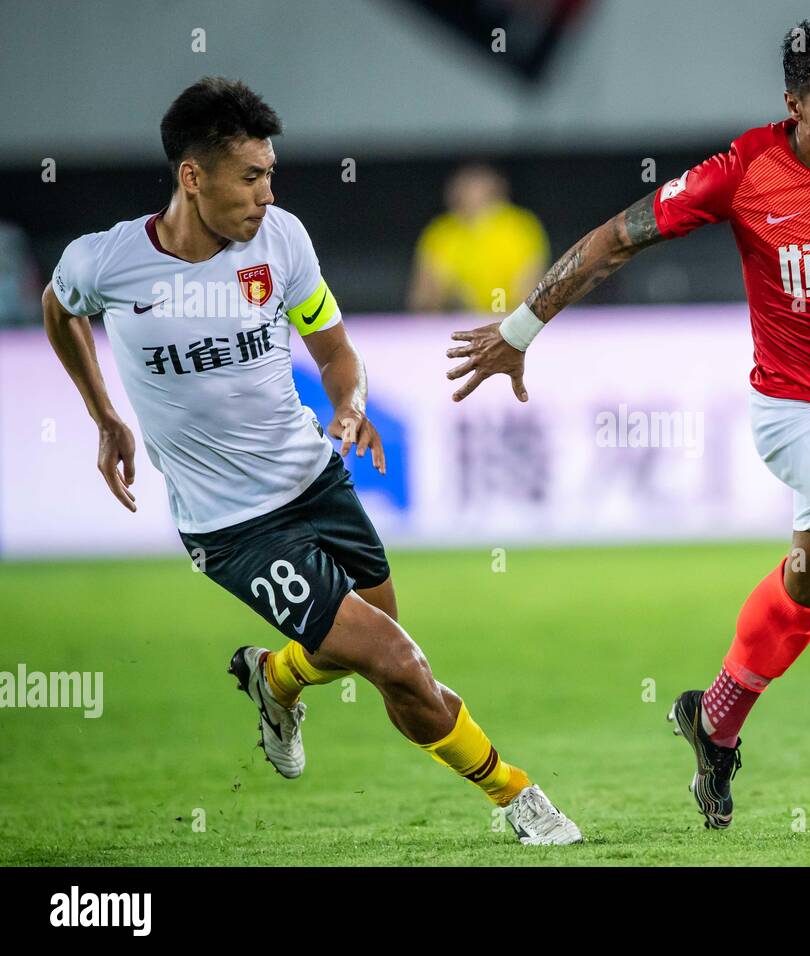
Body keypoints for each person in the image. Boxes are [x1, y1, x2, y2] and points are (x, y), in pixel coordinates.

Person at [445, 16, 810, 830]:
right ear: (793, 105)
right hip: (798, 412)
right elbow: (613, 241)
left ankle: (712, 722)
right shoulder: (744, 170)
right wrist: (519, 329)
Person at [42, 76, 580, 846]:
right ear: (192, 177)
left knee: (373, 645)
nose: (266, 194)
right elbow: (59, 309)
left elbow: (334, 352)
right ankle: (518, 797)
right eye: (250, 177)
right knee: (397, 660)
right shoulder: (109, 264)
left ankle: (275, 676)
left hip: (314, 480)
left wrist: (350, 406)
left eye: (270, 175)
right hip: (233, 527)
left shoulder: (281, 240)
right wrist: (102, 415)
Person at [406, 164, 548, 314]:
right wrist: (448, 299)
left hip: (509, 323)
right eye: (461, 188)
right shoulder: (440, 233)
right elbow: (422, 299)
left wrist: (499, 316)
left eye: (474, 187)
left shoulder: (520, 227)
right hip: (454, 326)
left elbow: (532, 291)